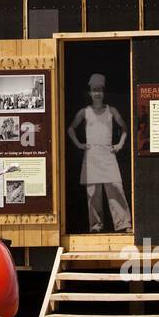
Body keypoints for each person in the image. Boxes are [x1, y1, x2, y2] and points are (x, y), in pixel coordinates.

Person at [66, 73, 131, 232]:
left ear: (103, 92)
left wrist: (120, 144)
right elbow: (70, 129)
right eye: (94, 90)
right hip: (92, 156)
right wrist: (79, 145)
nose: (97, 93)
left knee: (116, 189)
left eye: (100, 90)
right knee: (93, 193)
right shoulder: (84, 112)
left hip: (108, 155)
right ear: (90, 92)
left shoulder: (112, 110)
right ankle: (96, 226)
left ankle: (123, 224)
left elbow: (124, 128)